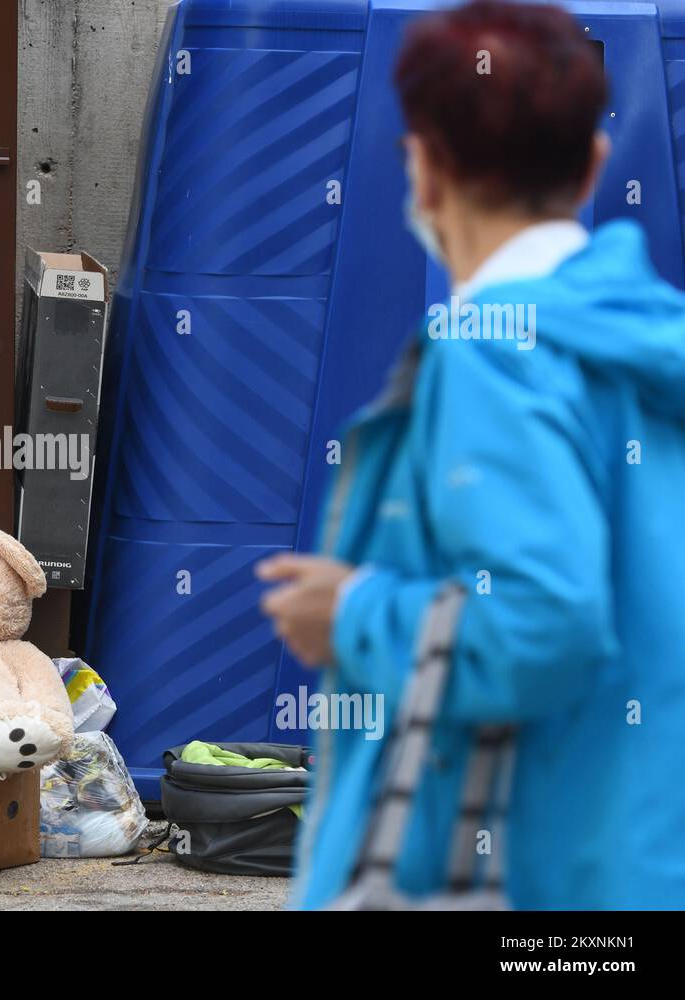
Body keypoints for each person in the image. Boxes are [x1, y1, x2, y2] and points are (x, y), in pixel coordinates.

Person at [257, 0, 685, 909]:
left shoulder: (495, 355)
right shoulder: (651, 350)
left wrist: (357, 613)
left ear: (425, 167)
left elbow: (544, 625)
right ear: (596, 162)